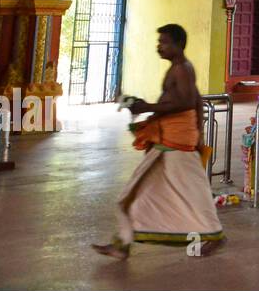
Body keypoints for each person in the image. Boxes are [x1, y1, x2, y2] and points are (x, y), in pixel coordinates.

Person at [93, 24, 224, 259]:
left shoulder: (182, 69)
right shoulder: (179, 69)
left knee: (190, 190)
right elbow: (196, 99)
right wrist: (197, 130)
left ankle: (214, 233)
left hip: (176, 141)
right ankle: (123, 242)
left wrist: (148, 107)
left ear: (178, 45)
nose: (159, 46)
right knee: (142, 192)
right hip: (171, 139)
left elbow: (185, 102)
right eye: (159, 42)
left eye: (164, 42)